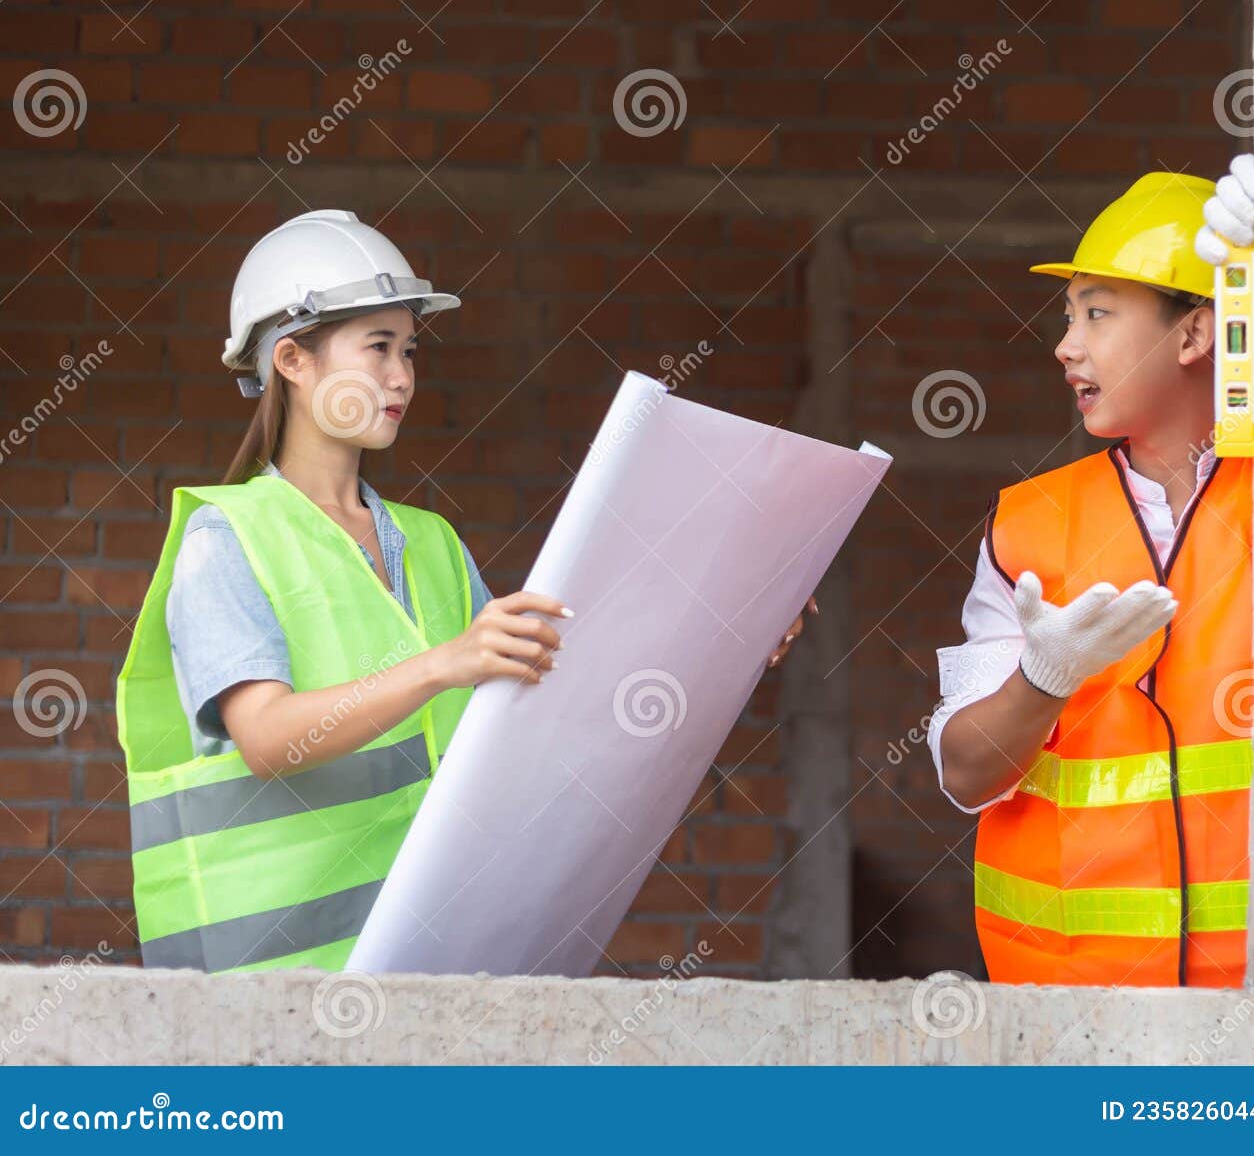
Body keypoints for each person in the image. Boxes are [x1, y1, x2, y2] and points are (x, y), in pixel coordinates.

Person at [116, 209, 812, 973]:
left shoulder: (431, 542)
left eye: (409, 350)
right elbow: (268, 738)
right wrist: (441, 664)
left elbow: (551, 693)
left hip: (427, 974)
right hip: (274, 997)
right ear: (292, 358)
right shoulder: (226, 537)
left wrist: (731, 635)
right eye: (377, 347)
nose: (402, 376)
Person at [928, 158, 1254, 987]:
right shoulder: (1028, 524)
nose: (1065, 345)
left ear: (1193, 334)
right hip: (1066, 1015)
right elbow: (965, 773)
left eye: (1098, 314)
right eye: (1069, 314)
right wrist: (1044, 676)